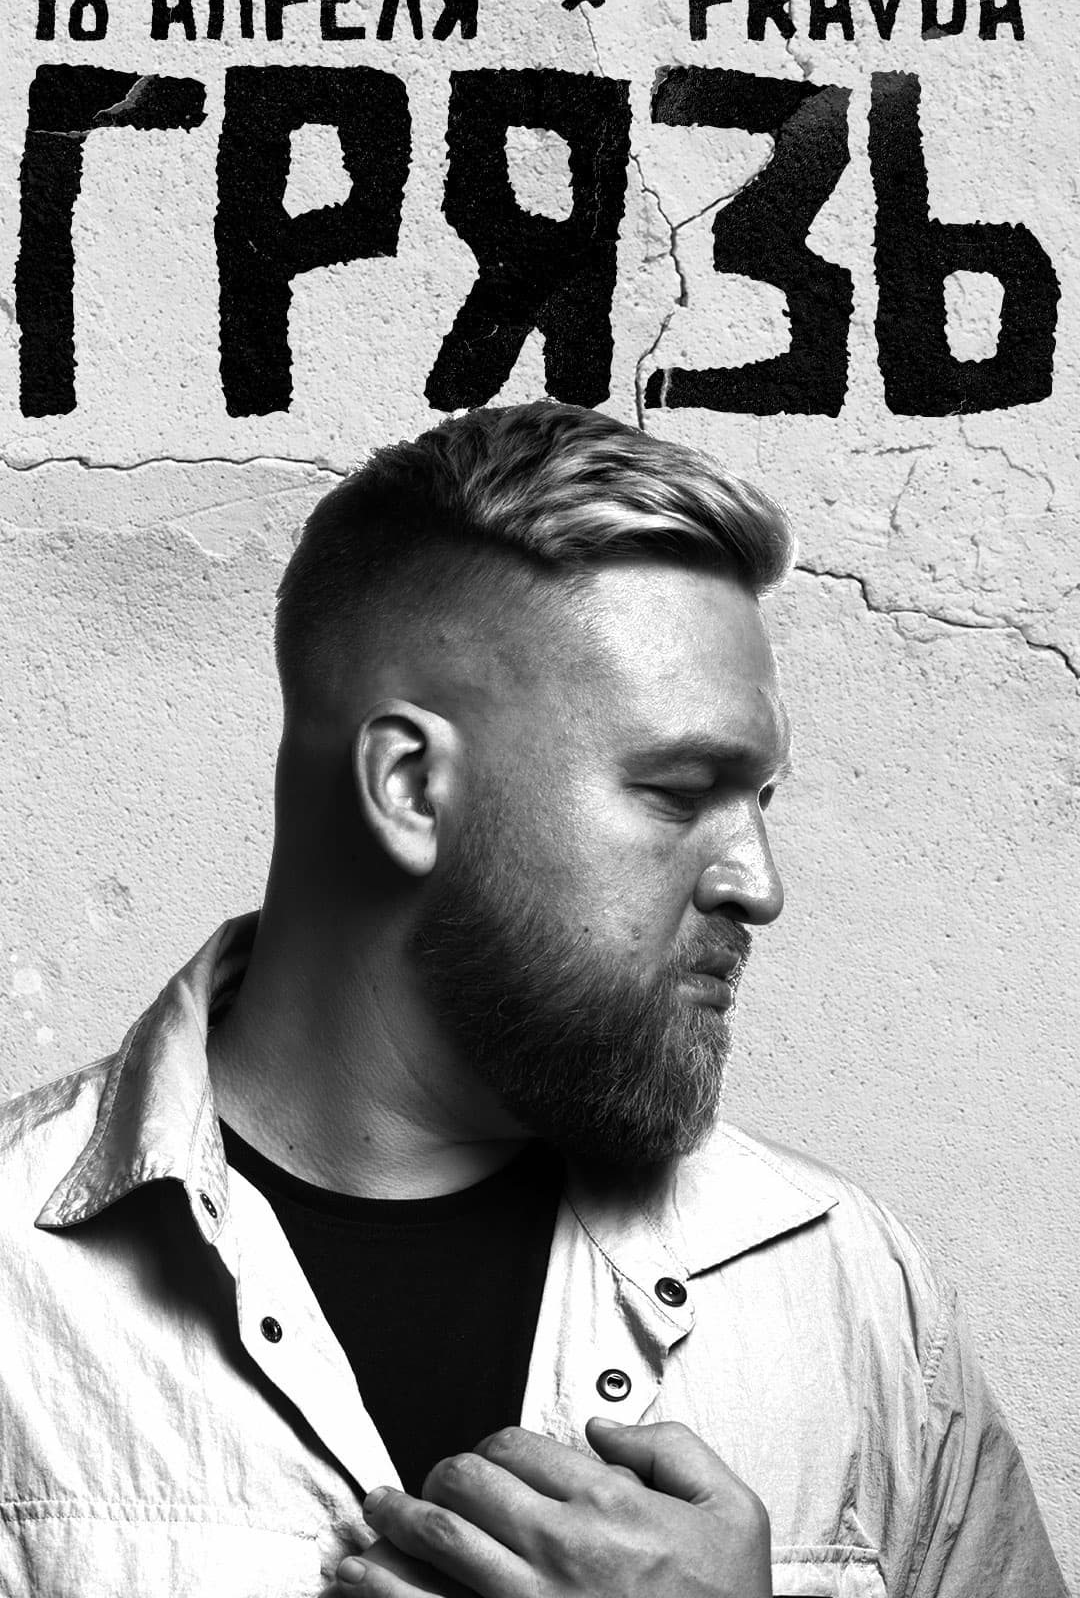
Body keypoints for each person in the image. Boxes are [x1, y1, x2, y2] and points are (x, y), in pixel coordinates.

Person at [0, 401, 1067, 1598]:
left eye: (759, 800)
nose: (757, 886)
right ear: (412, 786)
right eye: (679, 792)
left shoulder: (852, 1293)